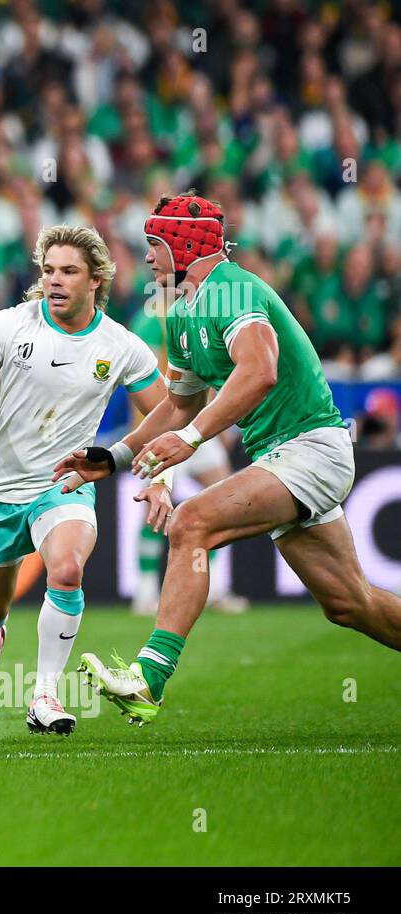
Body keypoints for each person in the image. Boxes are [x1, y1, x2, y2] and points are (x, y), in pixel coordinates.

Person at [57, 192, 401, 725]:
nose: (146, 258)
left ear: (181, 244)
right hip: (286, 456)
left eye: (153, 245)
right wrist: (117, 455)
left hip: (310, 447)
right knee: (349, 604)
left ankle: (149, 680)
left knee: (191, 522)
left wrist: (191, 439)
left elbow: (260, 369)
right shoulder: (182, 311)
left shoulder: (230, 289)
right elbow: (179, 403)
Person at [0, 225, 170, 734]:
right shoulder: (12, 326)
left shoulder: (120, 346)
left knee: (67, 570)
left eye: (68, 272)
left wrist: (152, 470)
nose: (55, 281)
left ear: (96, 279)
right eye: (49, 271)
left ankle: (45, 696)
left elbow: (166, 411)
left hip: (64, 485)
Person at [128, 292, 249, 615]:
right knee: (156, 507)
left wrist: (218, 426)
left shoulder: (201, 310)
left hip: (197, 426)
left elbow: (209, 373)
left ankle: (215, 588)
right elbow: (143, 379)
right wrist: (147, 430)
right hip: (166, 425)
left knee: (226, 498)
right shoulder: (152, 318)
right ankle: (144, 591)